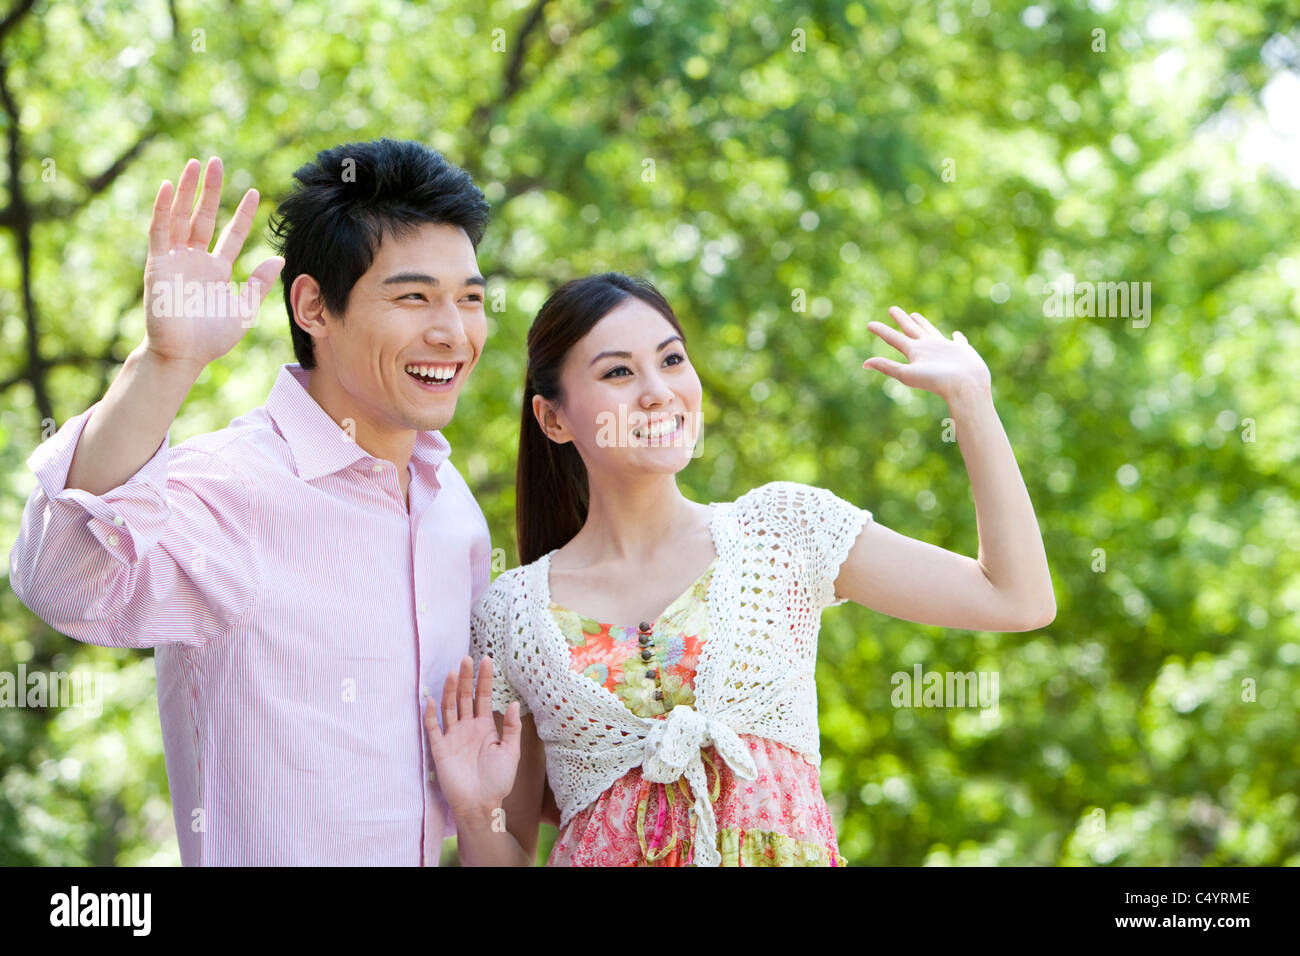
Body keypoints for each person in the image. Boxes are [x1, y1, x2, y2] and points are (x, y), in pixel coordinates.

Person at [425, 272, 1057, 866]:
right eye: (619, 371)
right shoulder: (511, 614)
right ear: (553, 418)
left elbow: (1017, 597)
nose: (658, 390)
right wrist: (477, 813)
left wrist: (971, 400)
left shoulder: (783, 530)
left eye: (672, 360)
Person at [9, 139, 493, 865]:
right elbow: (63, 582)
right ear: (313, 307)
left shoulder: (452, 508)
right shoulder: (232, 489)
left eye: (471, 299)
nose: (453, 332)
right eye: (414, 296)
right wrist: (165, 366)